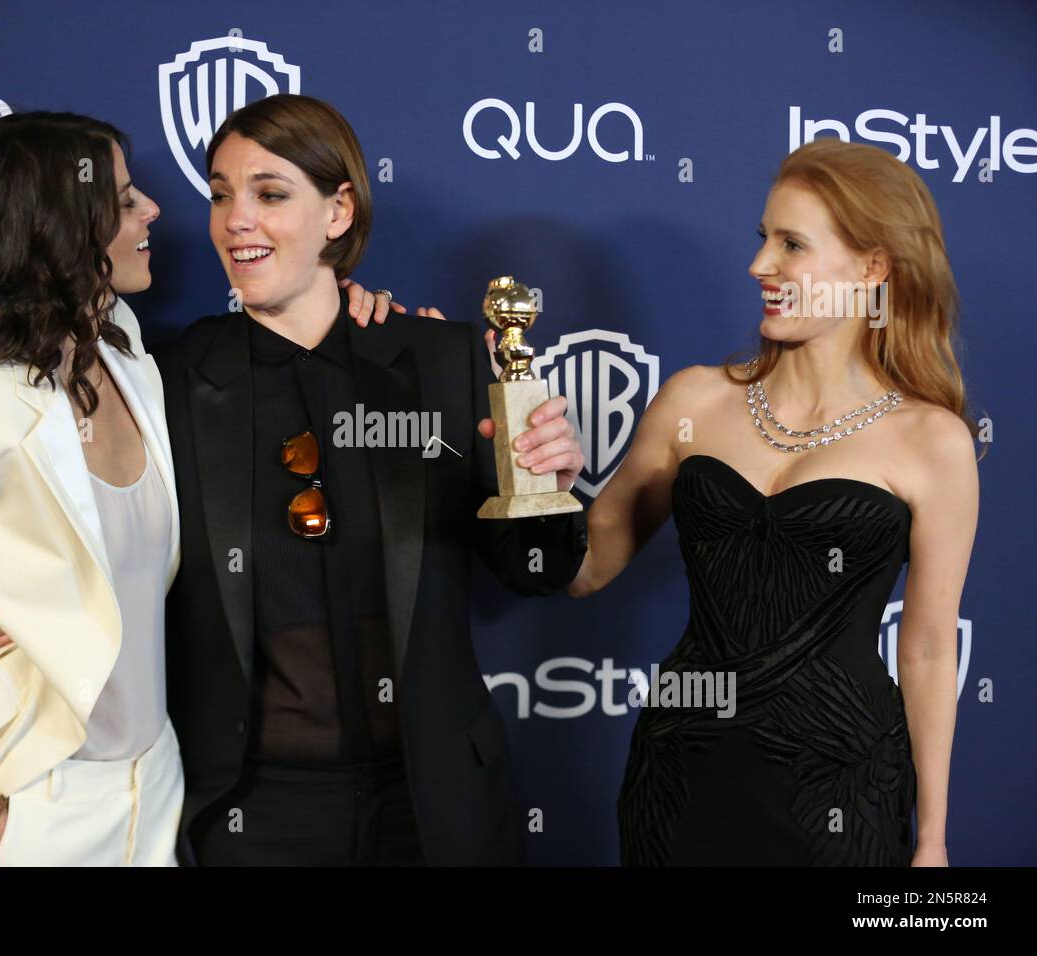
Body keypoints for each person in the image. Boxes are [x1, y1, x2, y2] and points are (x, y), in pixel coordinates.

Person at [0, 110, 397, 867]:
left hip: (158, 793)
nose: (156, 209)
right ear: (60, 229)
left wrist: (368, 321)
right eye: (126, 201)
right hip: (33, 801)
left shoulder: (133, 358)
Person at [160, 94, 588, 866]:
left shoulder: (438, 359)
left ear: (338, 211)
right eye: (221, 195)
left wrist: (547, 483)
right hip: (253, 818)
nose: (235, 221)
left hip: (434, 810)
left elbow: (536, 573)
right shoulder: (171, 381)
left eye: (270, 193)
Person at [568, 137, 978, 866]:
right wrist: (534, 482)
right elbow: (586, 565)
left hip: (841, 792)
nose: (761, 266)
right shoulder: (693, 400)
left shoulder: (931, 441)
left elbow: (926, 646)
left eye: (792, 245)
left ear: (872, 268)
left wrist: (934, 840)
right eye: (763, 240)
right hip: (682, 775)